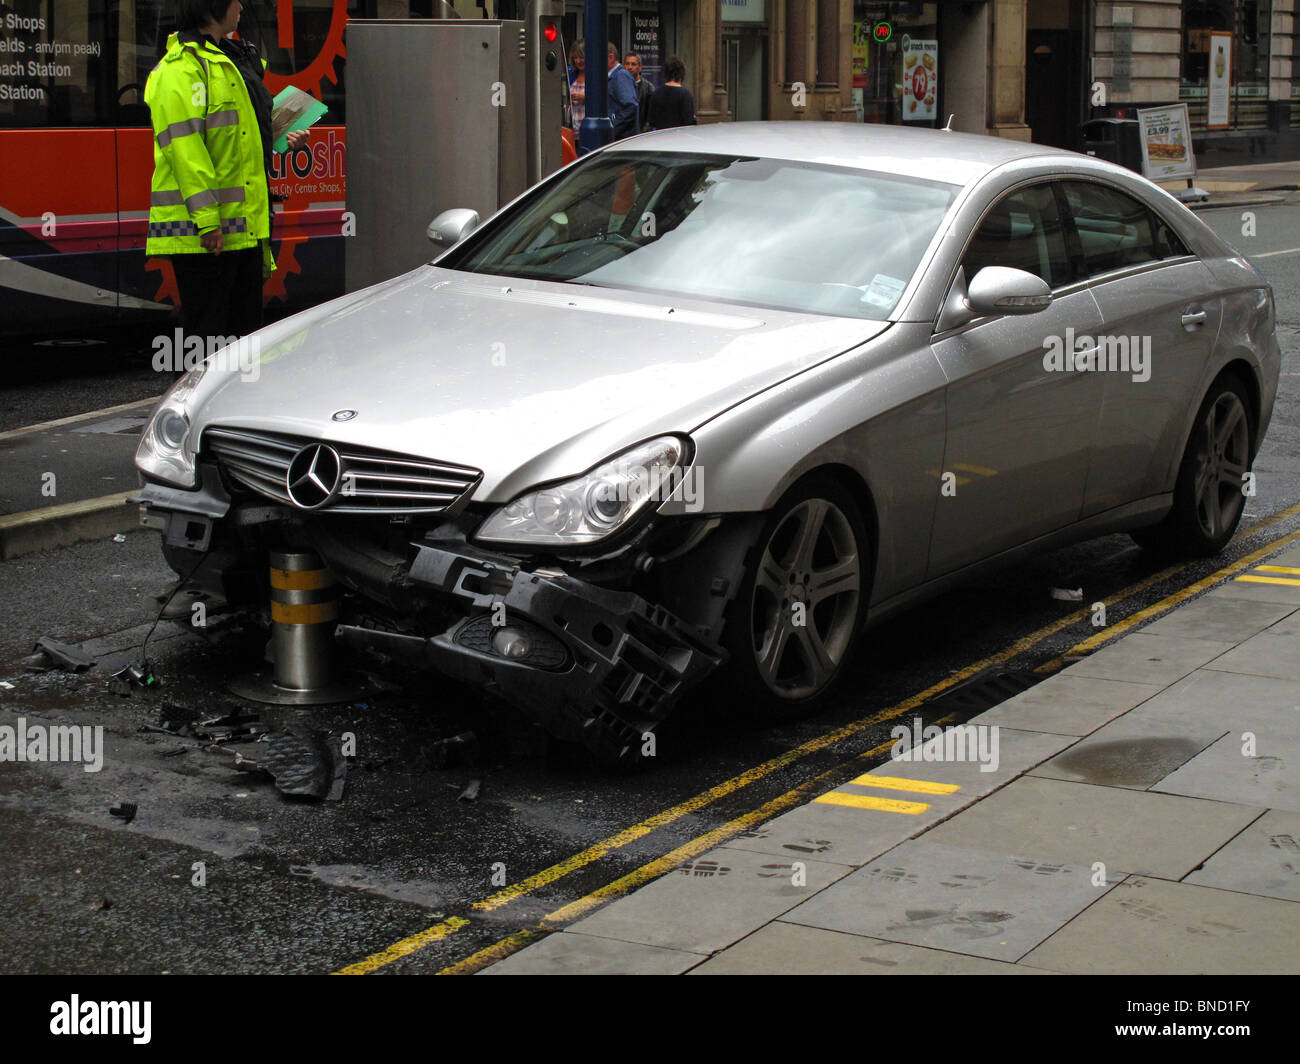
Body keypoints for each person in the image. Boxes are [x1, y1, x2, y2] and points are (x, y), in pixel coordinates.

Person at [144, 0, 304, 352]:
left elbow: (239, 138)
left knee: (240, 342)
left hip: (241, 229)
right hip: (203, 234)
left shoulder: (231, 61)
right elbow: (187, 153)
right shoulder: (180, 70)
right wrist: (207, 220)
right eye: (235, 0)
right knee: (208, 340)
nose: (242, 6)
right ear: (213, 6)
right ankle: (196, 407)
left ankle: (232, 406)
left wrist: (280, 137)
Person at [645, 55, 695, 130]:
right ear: (682, 73)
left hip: (661, 136)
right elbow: (689, 122)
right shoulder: (686, 95)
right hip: (679, 137)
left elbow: (651, 120)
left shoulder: (656, 93)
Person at [606, 42, 639, 140]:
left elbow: (630, 107)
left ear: (611, 57)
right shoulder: (613, 77)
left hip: (622, 139)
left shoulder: (621, 76)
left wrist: (612, 130)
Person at [624, 52, 654, 133]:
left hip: (640, 134)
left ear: (640, 67)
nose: (629, 67)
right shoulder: (619, 86)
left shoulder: (648, 88)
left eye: (633, 64)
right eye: (627, 64)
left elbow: (650, 116)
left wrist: (643, 133)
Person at [568, 40, 586, 133]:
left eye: (581, 57)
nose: (578, 61)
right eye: (575, 57)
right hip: (572, 129)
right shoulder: (571, 75)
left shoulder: (596, 77)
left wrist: (585, 97)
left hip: (587, 129)